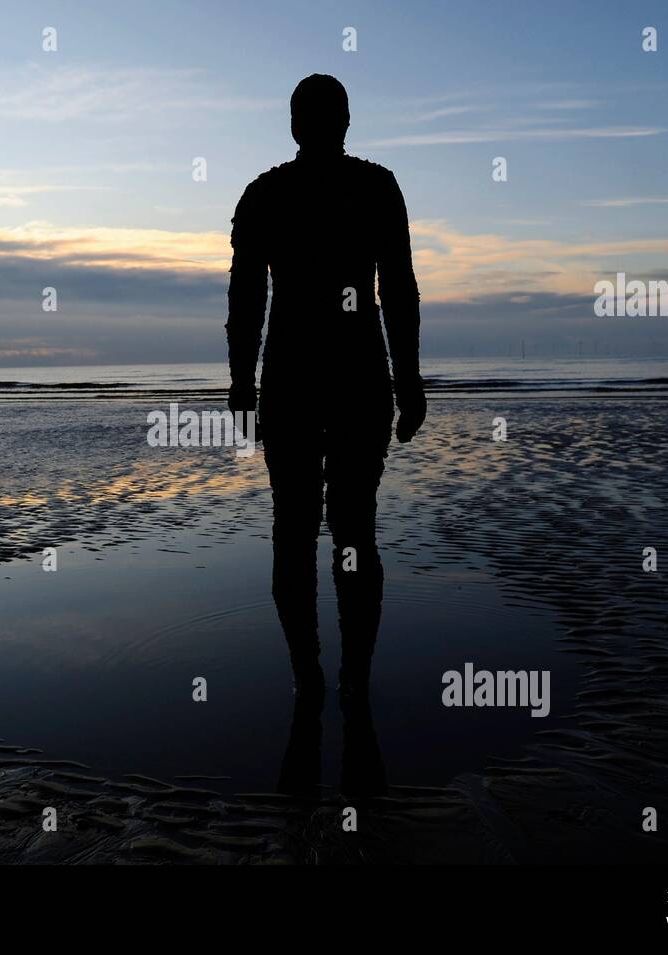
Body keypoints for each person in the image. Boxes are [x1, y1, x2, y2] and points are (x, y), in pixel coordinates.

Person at [226, 74, 425, 728]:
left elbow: (246, 303)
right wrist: (409, 379)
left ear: (295, 124)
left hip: (299, 379)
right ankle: (342, 679)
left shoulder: (269, 194)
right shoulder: (370, 187)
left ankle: (314, 676)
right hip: (352, 377)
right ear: (344, 121)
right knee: (349, 530)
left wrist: (240, 382)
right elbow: (398, 290)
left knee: (298, 529)